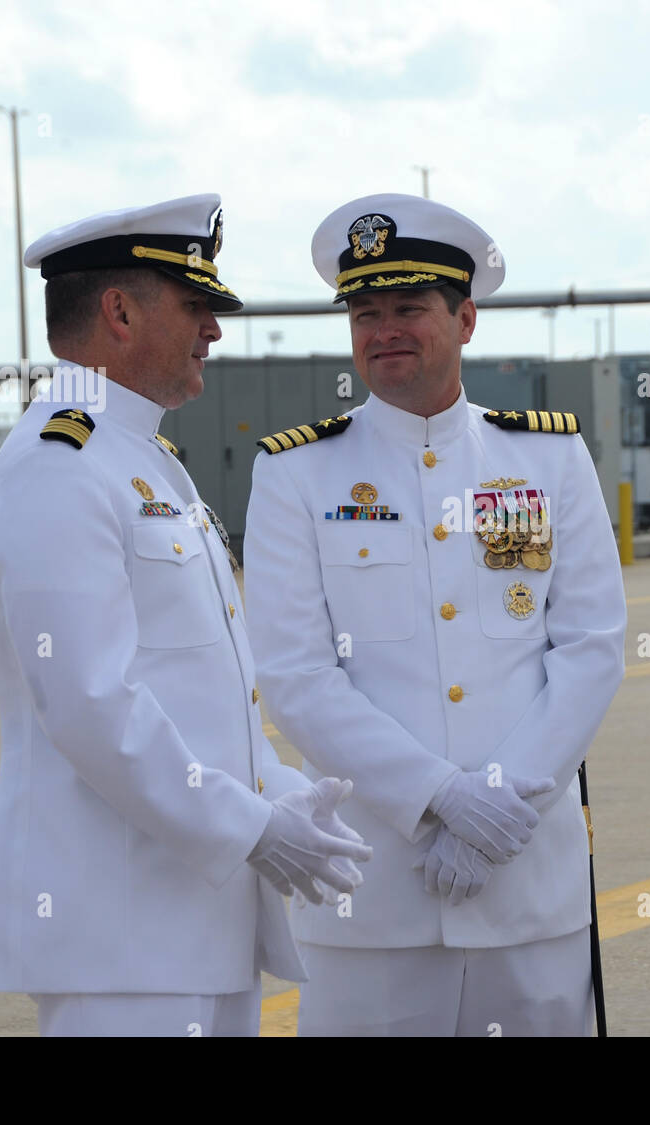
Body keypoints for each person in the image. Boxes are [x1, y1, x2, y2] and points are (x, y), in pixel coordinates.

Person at [0, 194, 371, 1037]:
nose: (213, 331)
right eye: (196, 307)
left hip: (195, 922)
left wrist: (283, 796)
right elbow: (91, 703)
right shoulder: (61, 467)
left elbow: (201, 688)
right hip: (115, 936)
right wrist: (253, 827)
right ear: (119, 312)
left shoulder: (146, 461)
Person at [244, 193, 626, 1036]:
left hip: (529, 889)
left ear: (465, 319)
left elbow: (591, 649)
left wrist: (499, 813)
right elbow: (296, 677)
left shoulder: (549, 458)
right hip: (373, 895)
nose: (385, 330)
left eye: (409, 308)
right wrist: (441, 800)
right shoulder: (298, 474)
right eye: (366, 311)